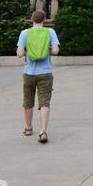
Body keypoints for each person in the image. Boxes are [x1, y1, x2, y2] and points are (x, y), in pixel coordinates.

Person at [16, 9, 60, 144]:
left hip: (29, 72)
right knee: (44, 102)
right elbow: (56, 51)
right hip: (45, 72)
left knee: (28, 101)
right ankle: (43, 132)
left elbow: (19, 53)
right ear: (44, 20)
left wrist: (27, 51)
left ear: (31, 19)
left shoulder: (25, 33)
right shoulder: (50, 32)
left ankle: (28, 128)